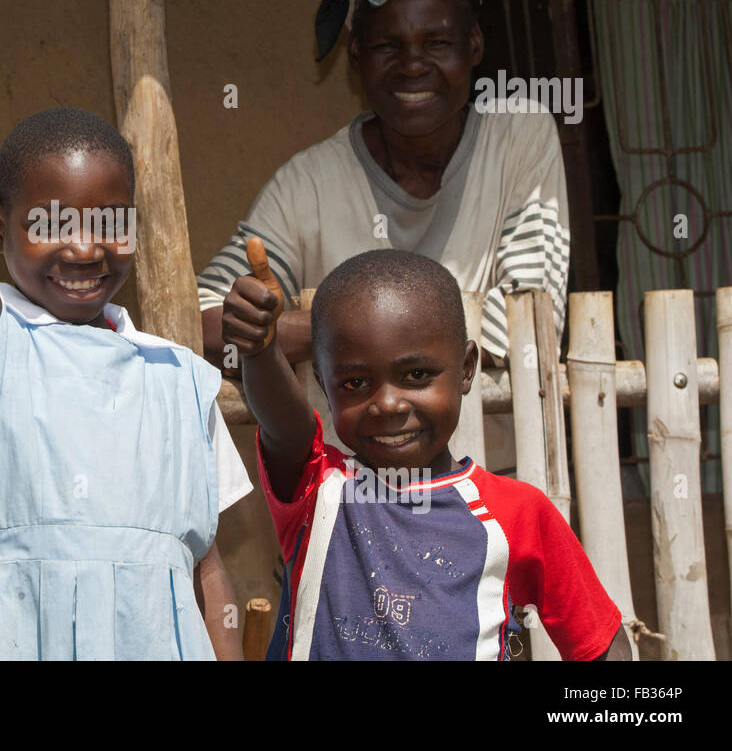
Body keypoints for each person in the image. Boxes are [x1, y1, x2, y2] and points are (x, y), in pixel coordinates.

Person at [199, 0, 570, 463]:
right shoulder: (309, 182)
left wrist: (321, 336)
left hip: (500, 486)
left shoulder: (519, 138)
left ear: (474, 47)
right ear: (356, 56)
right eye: (386, 45)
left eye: (437, 43)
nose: (413, 64)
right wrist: (294, 330)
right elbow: (206, 324)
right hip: (353, 503)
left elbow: (527, 325)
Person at [0, 107, 252, 660]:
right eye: (51, 224)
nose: (86, 249)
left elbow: (204, 563)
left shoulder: (179, 378)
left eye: (112, 223)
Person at [224, 245, 629, 661]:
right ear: (324, 386)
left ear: (466, 368)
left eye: (416, 375)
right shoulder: (319, 488)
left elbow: (601, 643)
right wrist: (260, 349)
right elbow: (282, 420)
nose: (388, 404)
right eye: (356, 383)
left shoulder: (519, 513)